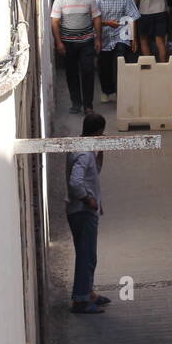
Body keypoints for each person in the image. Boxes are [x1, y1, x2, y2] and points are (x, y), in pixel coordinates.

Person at [66, 112, 109, 314]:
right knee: (86, 256)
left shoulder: (83, 147)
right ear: (100, 130)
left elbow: (93, 173)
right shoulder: (84, 152)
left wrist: (100, 152)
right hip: (83, 212)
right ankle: (81, 300)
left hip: (82, 211)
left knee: (88, 255)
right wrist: (89, 200)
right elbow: (76, 182)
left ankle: (87, 292)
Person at [51, 0, 101, 114]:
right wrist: (59, 43)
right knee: (71, 73)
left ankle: (88, 105)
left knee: (88, 72)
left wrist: (98, 39)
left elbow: (96, 17)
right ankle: (76, 103)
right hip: (68, 44)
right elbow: (55, 22)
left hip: (87, 42)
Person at [94, 0, 140, 102]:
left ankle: (121, 91)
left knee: (120, 61)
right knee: (104, 65)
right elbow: (92, 19)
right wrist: (107, 23)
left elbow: (133, 17)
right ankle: (106, 91)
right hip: (103, 36)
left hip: (121, 34)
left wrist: (134, 39)